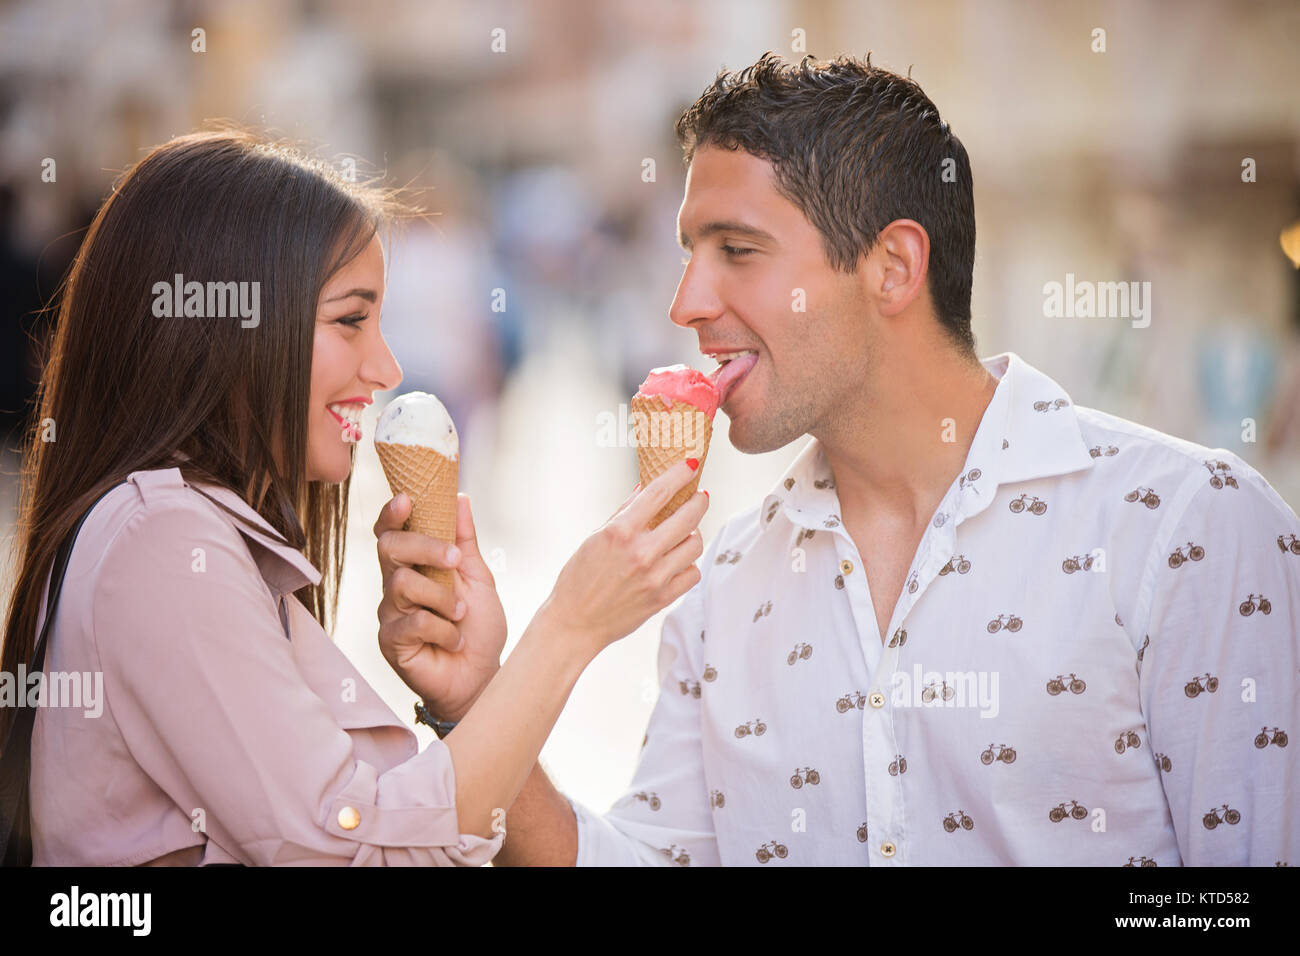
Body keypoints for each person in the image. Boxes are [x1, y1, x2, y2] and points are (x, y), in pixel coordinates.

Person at [418, 52, 1298, 866]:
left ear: (892, 267)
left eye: (738, 251)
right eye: (690, 253)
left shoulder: (1191, 528)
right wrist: (480, 701)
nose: (685, 301)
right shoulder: (723, 588)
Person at [0, 128, 708, 865]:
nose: (387, 366)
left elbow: (373, 824)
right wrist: (569, 628)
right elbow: (361, 856)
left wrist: (463, 700)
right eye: (349, 320)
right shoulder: (164, 539)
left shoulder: (190, 532)